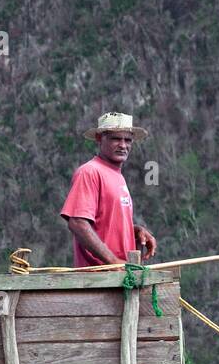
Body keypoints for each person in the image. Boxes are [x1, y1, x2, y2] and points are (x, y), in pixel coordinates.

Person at [60, 111, 158, 267]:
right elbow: (78, 223)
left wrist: (134, 231)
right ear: (100, 139)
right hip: (99, 280)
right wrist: (113, 262)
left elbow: (105, 226)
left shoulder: (118, 176)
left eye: (128, 140)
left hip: (119, 276)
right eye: (116, 139)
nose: (123, 145)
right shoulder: (89, 172)